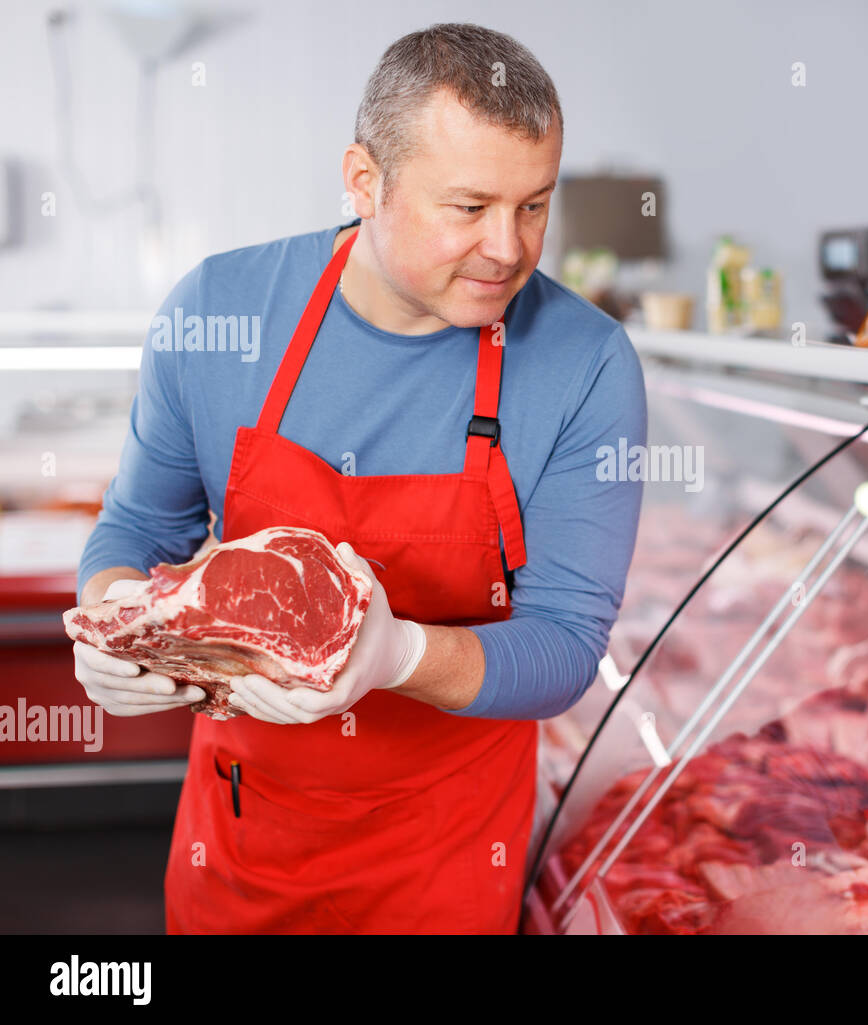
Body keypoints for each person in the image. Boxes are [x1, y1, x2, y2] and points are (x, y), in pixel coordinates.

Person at [70, 23, 646, 934]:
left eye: (535, 205)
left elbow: (569, 644)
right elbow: (137, 529)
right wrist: (110, 623)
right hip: (246, 836)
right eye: (469, 207)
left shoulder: (585, 361)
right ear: (364, 180)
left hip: (447, 860)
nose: (509, 248)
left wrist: (395, 656)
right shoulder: (219, 313)